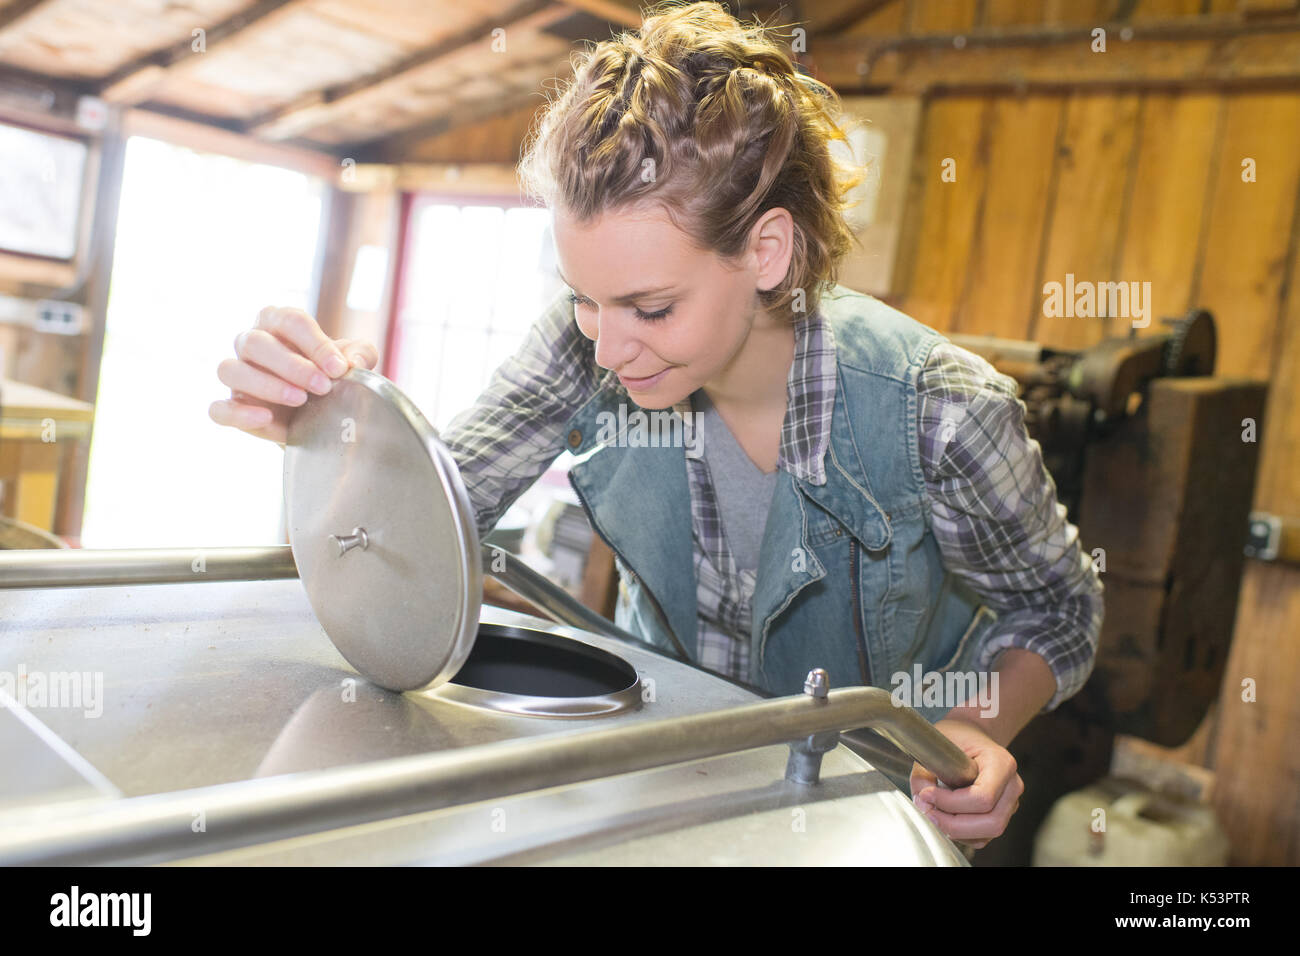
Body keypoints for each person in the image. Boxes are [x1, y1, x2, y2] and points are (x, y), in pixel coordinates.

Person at [210, 1, 1103, 851]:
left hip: (860, 810)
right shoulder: (582, 340)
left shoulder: (940, 412)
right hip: (656, 782)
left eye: (651, 307)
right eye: (586, 301)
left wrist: (969, 732)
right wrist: (333, 435)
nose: (607, 350)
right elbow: (436, 521)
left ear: (766, 251)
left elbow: (1056, 608)